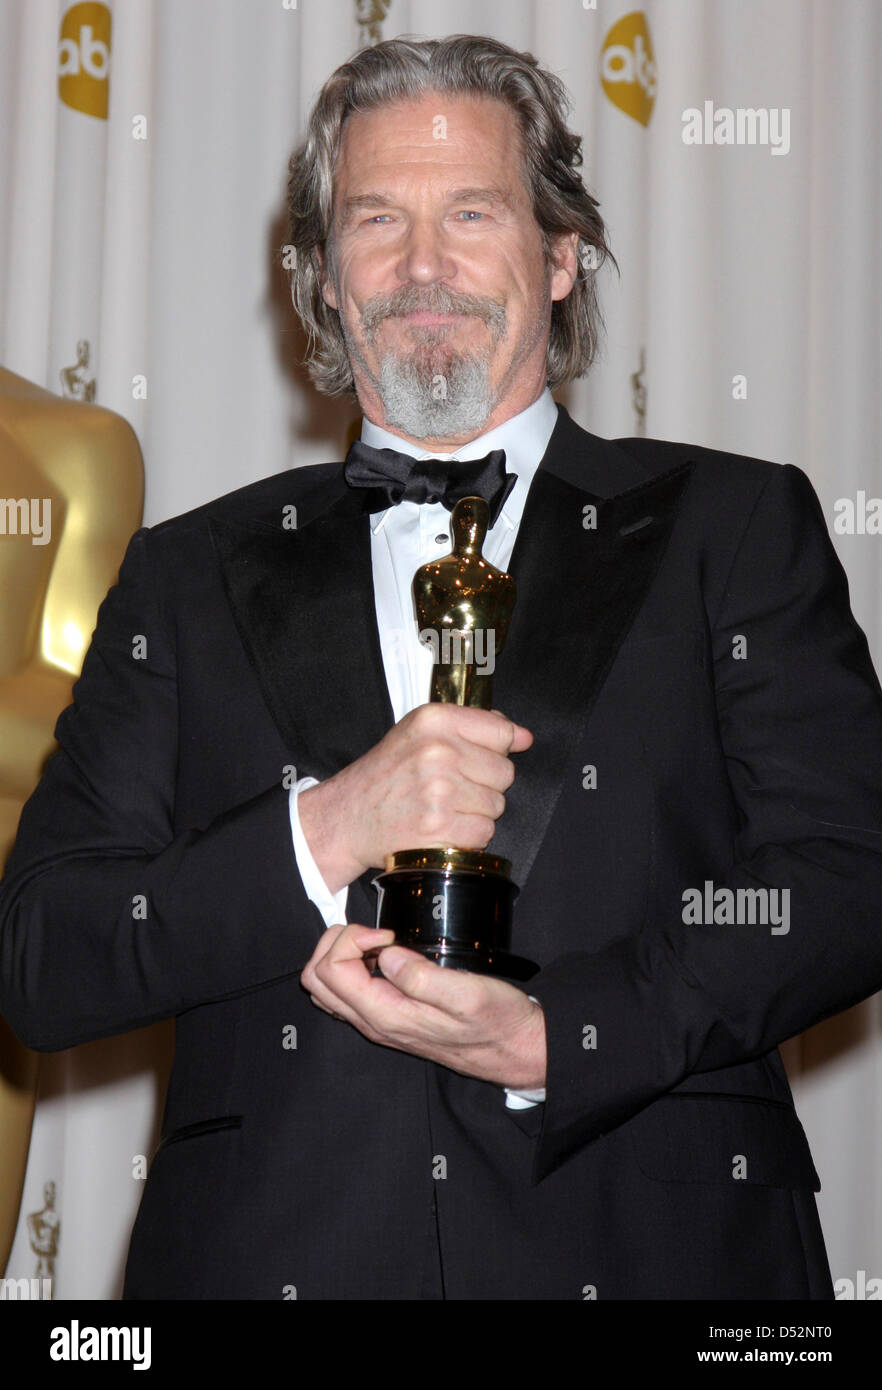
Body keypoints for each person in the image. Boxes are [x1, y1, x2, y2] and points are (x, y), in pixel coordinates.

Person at [2, 33, 882, 1301]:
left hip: (655, 1259)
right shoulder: (186, 574)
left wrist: (559, 1031)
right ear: (321, 276)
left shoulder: (731, 530)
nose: (423, 266)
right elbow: (45, 954)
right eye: (375, 220)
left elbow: (845, 878)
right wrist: (324, 830)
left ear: (562, 253)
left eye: (471, 212)